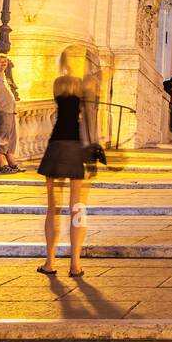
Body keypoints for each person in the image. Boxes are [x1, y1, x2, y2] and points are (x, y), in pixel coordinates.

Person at [37, 49, 98, 278]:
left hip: (56, 145)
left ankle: (50, 262)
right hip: (75, 147)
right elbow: (90, 120)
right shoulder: (87, 86)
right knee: (78, 208)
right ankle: (75, 264)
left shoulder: (58, 83)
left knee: (52, 207)